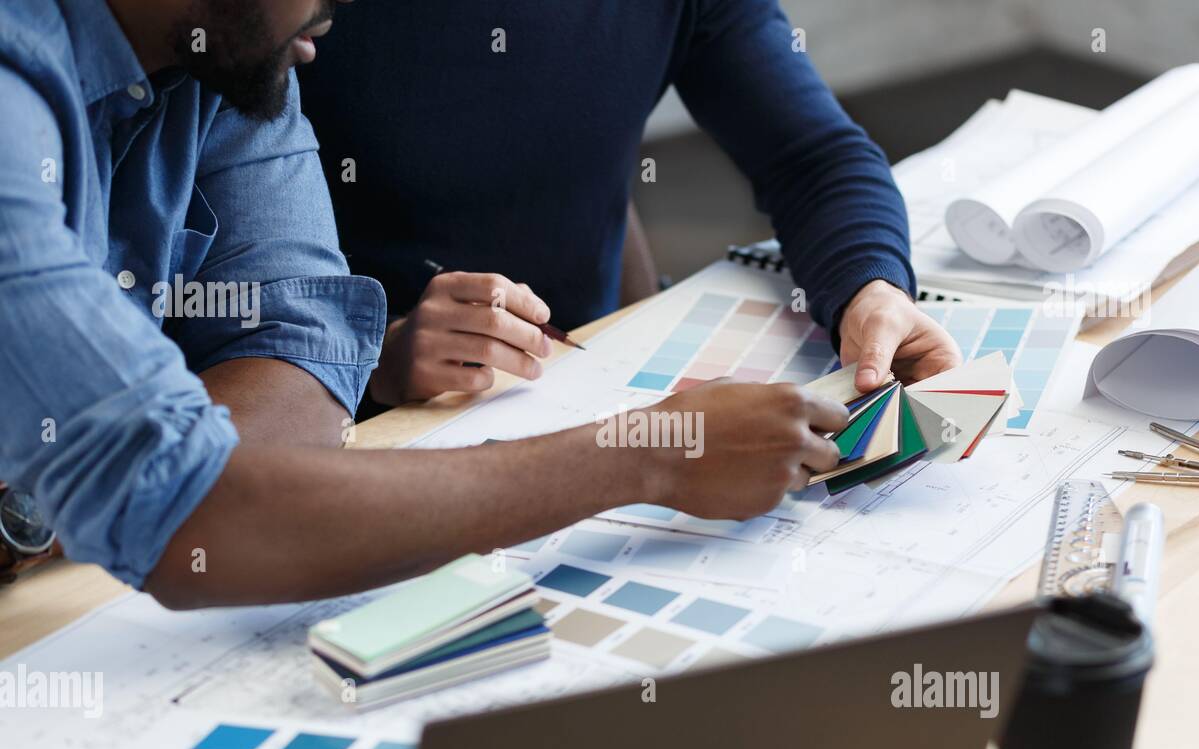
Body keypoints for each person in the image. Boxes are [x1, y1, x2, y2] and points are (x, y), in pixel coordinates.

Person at [0, 0, 847, 610]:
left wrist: (85, 499)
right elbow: (199, 517)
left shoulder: (235, 57)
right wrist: (648, 456)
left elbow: (304, 348)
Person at [297, 0, 963, 410]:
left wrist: (869, 288)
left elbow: (811, 157)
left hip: (594, 387)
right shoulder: (288, 18)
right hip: (357, 415)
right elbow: (215, 289)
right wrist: (374, 358)